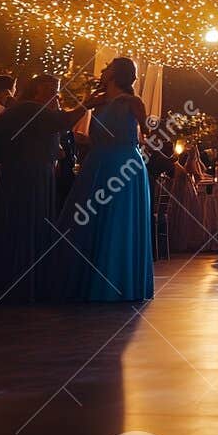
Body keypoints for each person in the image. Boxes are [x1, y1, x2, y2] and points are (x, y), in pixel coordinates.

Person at [40, 57, 155, 302]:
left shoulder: (133, 102)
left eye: (108, 67)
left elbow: (148, 133)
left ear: (116, 73)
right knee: (83, 218)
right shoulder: (97, 101)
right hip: (96, 162)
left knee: (115, 219)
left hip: (124, 165)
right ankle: (80, 279)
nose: (103, 70)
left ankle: (111, 281)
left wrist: (146, 128)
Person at [0, 75, 85, 304]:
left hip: (36, 174)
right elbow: (64, 121)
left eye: (57, 89)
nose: (55, 94)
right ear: (37, 88)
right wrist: (89, 103)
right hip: (27, 176)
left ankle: (23, 281)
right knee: (23, 223)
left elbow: (54, 137)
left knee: (31, 223)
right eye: (52, 88)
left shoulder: (31, 110)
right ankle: (16, 283)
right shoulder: (28, 108)